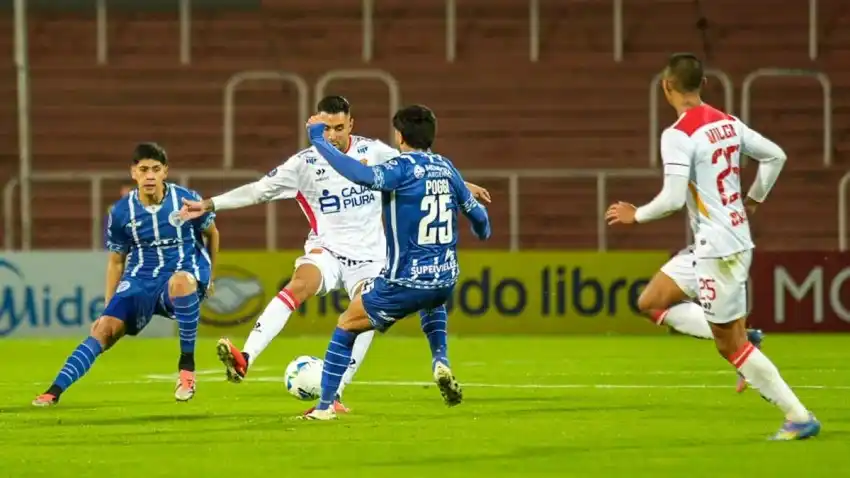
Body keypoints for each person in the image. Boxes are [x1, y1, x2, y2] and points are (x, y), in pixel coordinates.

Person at [180, 96, 490, 413]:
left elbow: (416, 170)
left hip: (372, 256)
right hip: (326, 249)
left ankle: (336, 393)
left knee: (361, 319)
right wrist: (210, 204)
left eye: (339, 127)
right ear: (316, 124)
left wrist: (463, 184)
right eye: (325, 128)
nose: (332, 135)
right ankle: (246, 357)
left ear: (351, 124)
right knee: (299, 284)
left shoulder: (374, 151)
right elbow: (258, 190)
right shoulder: (303, 164)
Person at [606, 53, 820, 441]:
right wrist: (753, 199)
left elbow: (672, 199)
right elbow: (776, 156)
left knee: (729, 346)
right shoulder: (729, 124)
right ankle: (744, 337)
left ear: (666, 86)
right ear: (703, 84)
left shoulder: (678, 134)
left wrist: (634, 215)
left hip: (719, 250)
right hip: (716, 242)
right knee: (650, 302)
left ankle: (798, 416)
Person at [300, 104, 491, 421]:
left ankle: (323, 408)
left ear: (400, 136)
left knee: (346, 324)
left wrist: (318, 140)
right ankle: (439, 360)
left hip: (404, 282)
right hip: (445, 279)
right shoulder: (446, 167)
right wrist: (480, 227)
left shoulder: (400, 169)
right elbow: (481, 222)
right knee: (433, 301)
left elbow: (357, 173)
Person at [32, 142, 219, 406]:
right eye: (144, 169)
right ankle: (54, 391)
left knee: (182, 281)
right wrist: (108, 307)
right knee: (103, 330)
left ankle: (187, 368)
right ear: (134, 173)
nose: (150, 175)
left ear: (165, 171)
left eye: (156, 169)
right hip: (139, 281)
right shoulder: (121, 212)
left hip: (180, 278)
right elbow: (116, 262)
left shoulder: (186, 200)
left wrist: (210, 276)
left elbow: (212, 234)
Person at [638, 246, 764, 392]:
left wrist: (638, 220)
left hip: (707, 252)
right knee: (651, 305)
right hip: (719, 251)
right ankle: (745, 339)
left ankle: (744, 339)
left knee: (650, 305)